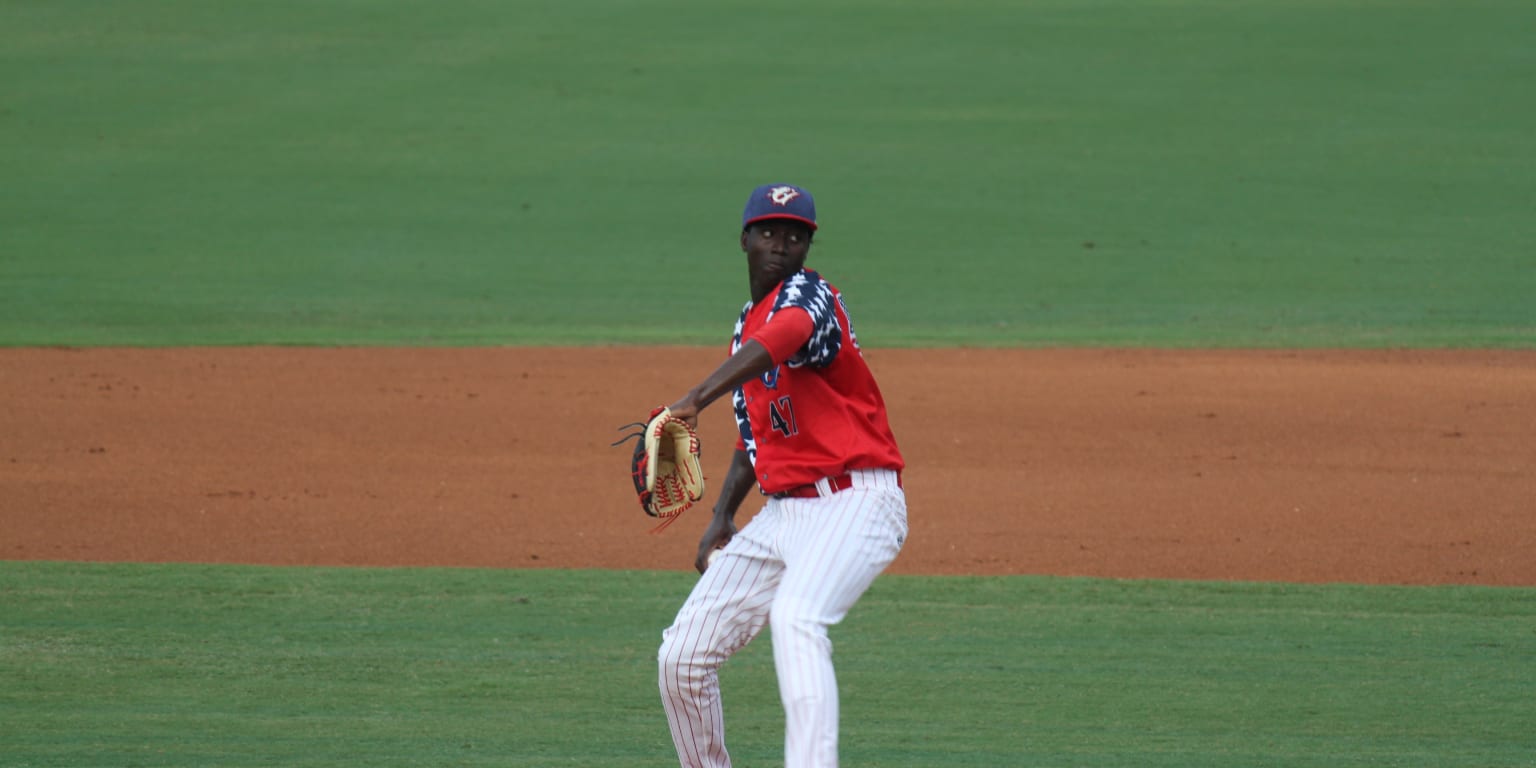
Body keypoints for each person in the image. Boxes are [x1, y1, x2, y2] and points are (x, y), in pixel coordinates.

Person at [656, 183, 909, 768]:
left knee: (798, 617)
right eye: (768, 232)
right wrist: (723, 515)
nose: (780, 244)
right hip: (785, 515)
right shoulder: (747, 326)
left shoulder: (810, 297)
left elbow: (787, 337)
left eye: (794, 236)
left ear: (806, 247)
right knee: (683, 657)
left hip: (856, 502)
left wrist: (695, 397)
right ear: (745, 238)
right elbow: (758, 439)